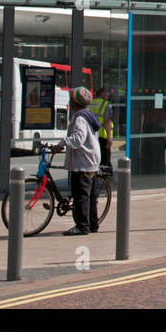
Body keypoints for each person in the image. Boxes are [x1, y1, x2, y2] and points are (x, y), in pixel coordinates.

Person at [63, 86, 102, 235]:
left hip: (83, 162)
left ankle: (82, 226)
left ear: (74, 103)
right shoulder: (88, 114)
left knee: (81, 195)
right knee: (90, 195)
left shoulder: (79, 118)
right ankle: (93, 224)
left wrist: (63, 142)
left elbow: (78, 139)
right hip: (91, 160)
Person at [89, 86, 115, 169]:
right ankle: (105, 179)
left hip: (93, 135)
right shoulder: (106, 104)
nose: (107, 97)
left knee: (95, 159)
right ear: (103, 95)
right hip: (103, 136)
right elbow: (107, 122)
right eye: (107, 95)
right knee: (105, 161)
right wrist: (109, 138)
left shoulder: (91, 103)